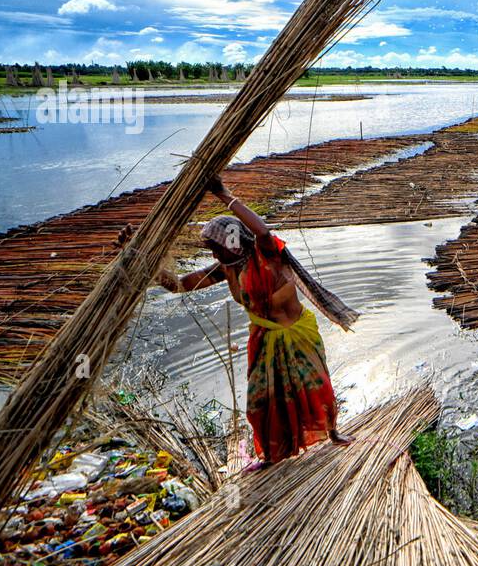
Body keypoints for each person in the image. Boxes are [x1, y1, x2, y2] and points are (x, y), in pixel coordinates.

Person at [121, 175, 350, 469]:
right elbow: (178, 284)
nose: (215, 253)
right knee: (260, 401)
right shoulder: (225, 269)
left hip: (297, 333)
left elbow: (264, 231)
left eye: (218, 246)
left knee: (315, 386)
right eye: (212, 249)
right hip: (264, 339)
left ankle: (332, 433)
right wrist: (137, 255)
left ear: (235, 240)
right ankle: (270, 453)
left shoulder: (266, 256)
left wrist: (223, 193)